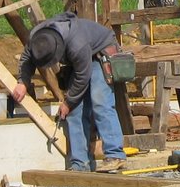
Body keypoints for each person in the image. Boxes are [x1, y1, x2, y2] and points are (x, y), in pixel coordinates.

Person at [12, 10, 128, 172]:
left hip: (100, 51)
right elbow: (26, 59)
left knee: (100, 101)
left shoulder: (76, 44)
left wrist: (68, 102)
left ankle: (115, 155)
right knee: (75, 111)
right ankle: (80, 163)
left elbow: (83, 76)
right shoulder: (37, 39)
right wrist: (22, 82)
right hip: (80, 60)